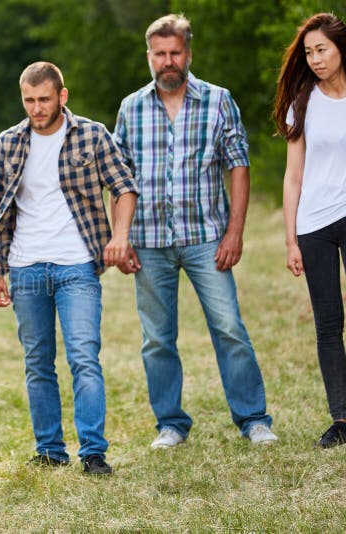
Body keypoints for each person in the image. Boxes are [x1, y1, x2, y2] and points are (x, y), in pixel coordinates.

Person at [113, 14, 278, 449]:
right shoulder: (131, 107)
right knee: (156, 339)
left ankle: (254, 420)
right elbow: (120, 178)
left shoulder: (219, 100)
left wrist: (234, 232)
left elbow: (239, 166)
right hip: (148, 242)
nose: (168, 61)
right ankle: (170, 424)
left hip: (207, 237)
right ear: (148, 56)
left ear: (189, 53)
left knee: (229, 328)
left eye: (176, 53)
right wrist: (121, 235)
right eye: (160, 54)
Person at [0, 61, 139, 475]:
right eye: (29, 100)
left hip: (76, 265)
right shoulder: (8, 143)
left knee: (85, 357)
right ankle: (49, 449)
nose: (36, 108)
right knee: (38, 362)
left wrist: (119, 236)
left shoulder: (91, 135)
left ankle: (93, 452)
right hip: (25, 267)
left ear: (61, 97)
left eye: (44, 99)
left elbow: (123, 187)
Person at [275, 13, 346, 449]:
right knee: (328, 322)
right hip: (315, 223)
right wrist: (290, 238)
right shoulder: (301, 102)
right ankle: (341, 417)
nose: (315, 59)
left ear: (341, 48)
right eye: (308, 52)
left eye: (322, 50)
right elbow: (293, 176)